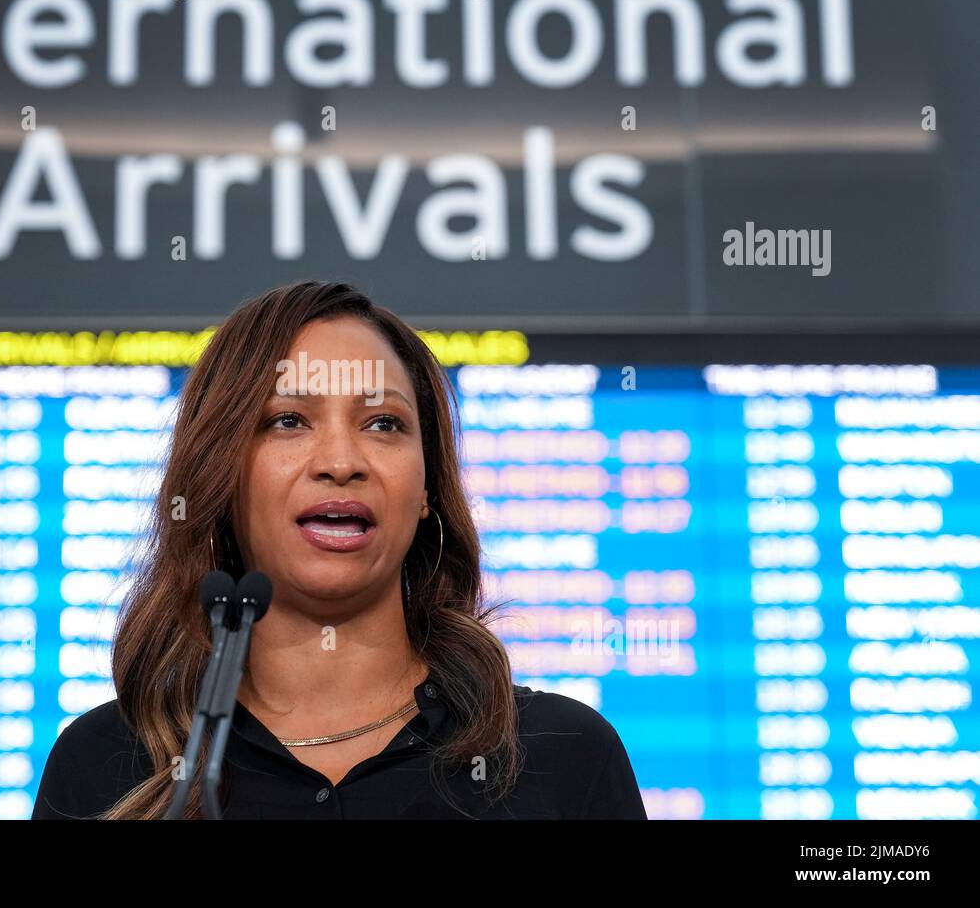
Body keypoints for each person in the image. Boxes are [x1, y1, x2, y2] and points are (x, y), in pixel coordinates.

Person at [33, 280, 646, 819]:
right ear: (221, 472)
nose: (341, 463)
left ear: (427, 488)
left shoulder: (563, 757)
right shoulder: (105, 764)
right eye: (288, 421)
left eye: (384, 424)